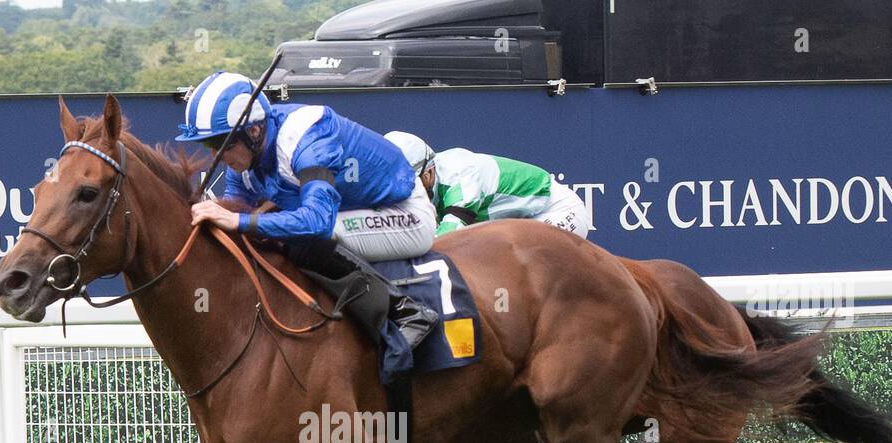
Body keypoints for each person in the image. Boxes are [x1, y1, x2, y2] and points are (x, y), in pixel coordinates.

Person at [177, 72, 441, 352]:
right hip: (352, 210)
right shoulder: (242, 167)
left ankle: (405, 312)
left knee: (305, 241)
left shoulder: (306, 138)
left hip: (403, 213)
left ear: (254, 131)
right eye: (209, 145)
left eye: (222, 144)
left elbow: (317, 223)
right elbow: (234, 221)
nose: (219, 156)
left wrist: (238, 219)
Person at [383, 131, 592, 238]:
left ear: (428, 173)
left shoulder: (461, 174)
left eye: (407, 182)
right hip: (521, 220)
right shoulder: (427, 177)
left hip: (557, 211)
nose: (400, 190)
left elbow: (447, 239)